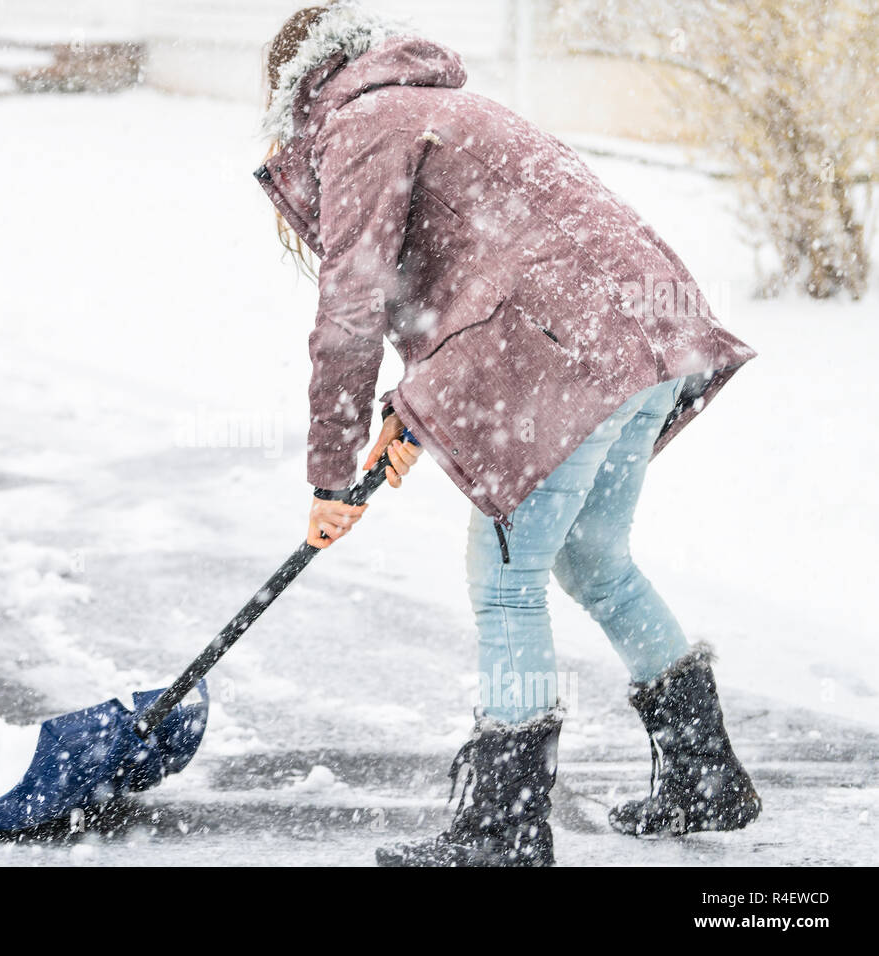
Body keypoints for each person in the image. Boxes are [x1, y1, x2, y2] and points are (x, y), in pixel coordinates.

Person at [254, 2, 762, 867]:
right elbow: (489, 281)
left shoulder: (364, 126)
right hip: (646, 331)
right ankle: (703, 771)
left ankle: (504, 823)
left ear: (295, 92)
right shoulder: (438, 106)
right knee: (595, 559)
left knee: (506, 579)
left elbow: (352, 309)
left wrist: (330, 475)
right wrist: (406, 420)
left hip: (567, 352)